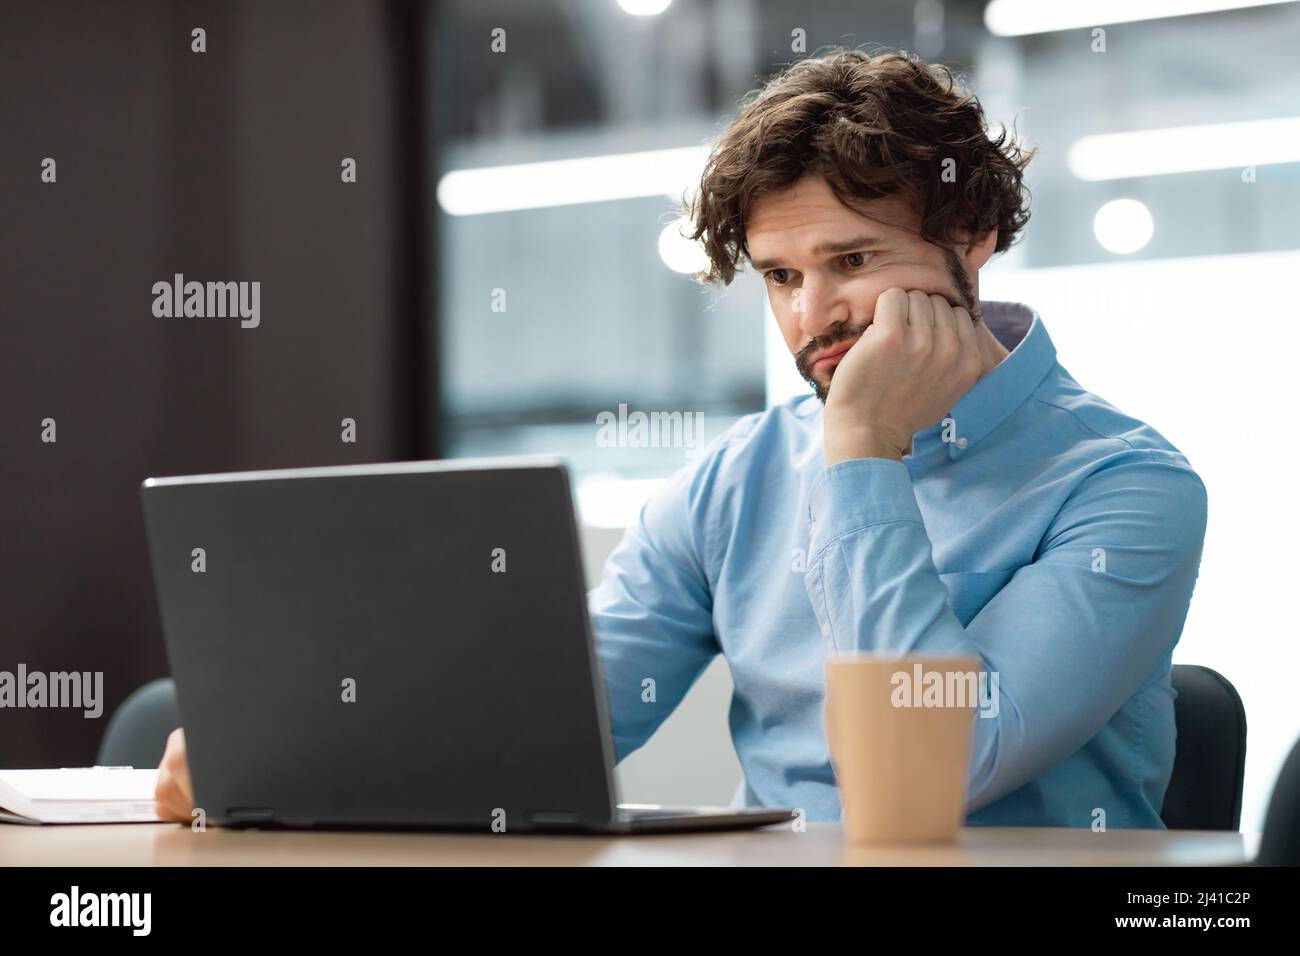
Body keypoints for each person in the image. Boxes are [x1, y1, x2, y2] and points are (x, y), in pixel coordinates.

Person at [157, 48, 1206, 828]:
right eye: (782, 277)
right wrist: (302, 758)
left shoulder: (1125, 486)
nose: (813, 316)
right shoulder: (736, 478)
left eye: (852, 258)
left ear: (970, 238)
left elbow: (915, 791)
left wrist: (861, 459)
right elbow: (549, 724)